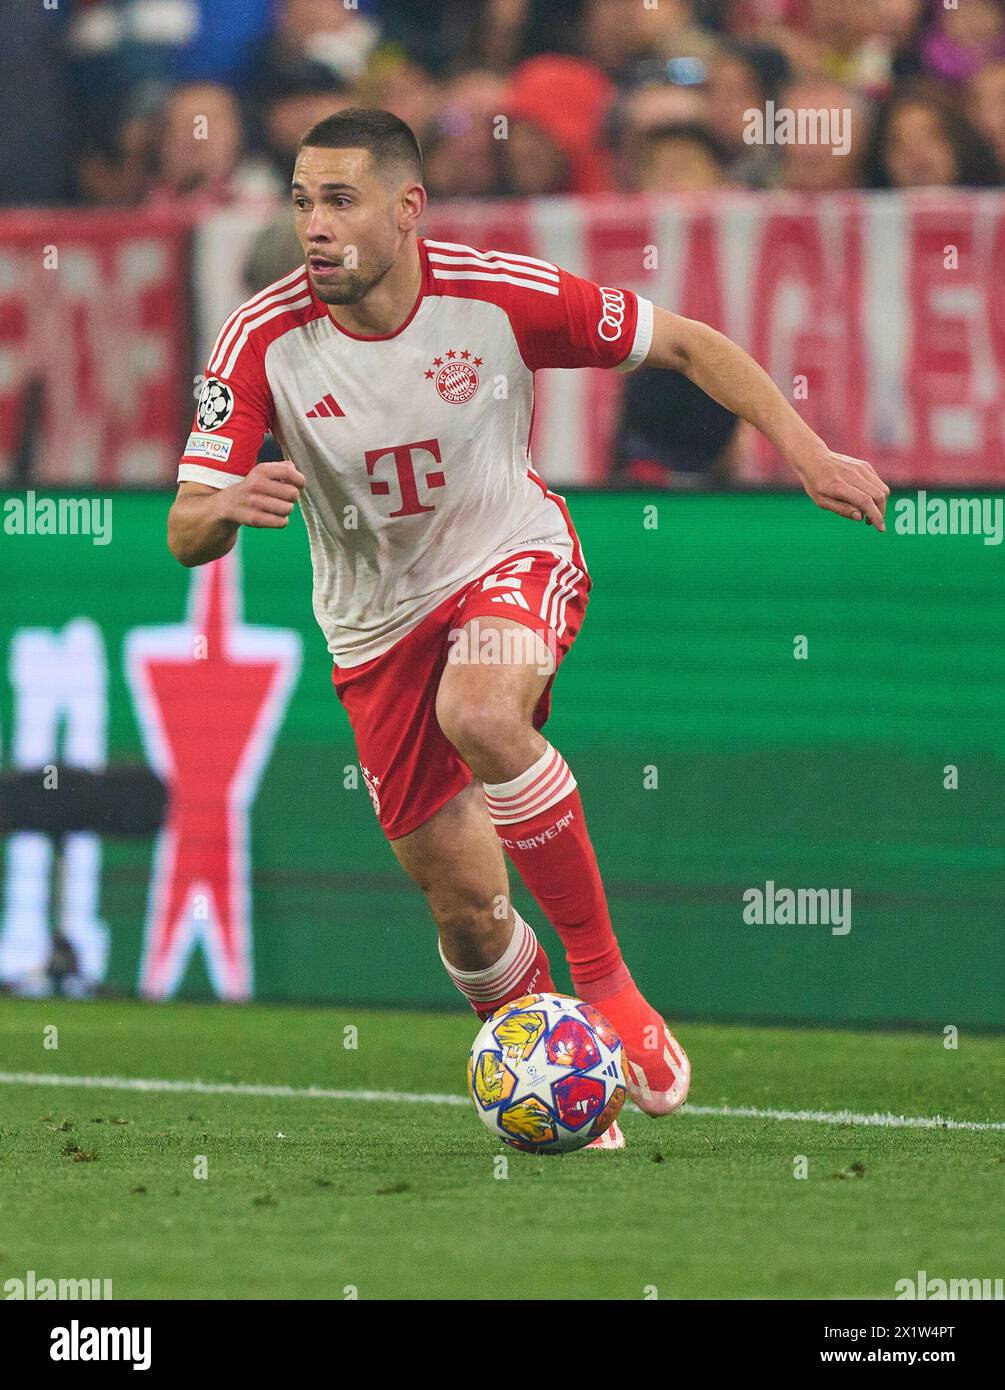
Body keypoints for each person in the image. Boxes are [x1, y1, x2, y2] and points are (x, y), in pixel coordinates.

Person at [167, 108, 889, 1149]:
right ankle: (563, 1078)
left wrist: (809, 454)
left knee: (482, 709)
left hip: (510, 556)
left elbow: (686, 342)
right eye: (300, 201)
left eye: (339, 199)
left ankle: (608, 989)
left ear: (408, 208)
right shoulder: (260, 341)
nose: (314, 226)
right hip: (373, 629)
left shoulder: (500, 296)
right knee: (466, 910)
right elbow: (183, 530)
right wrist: (221, 509)